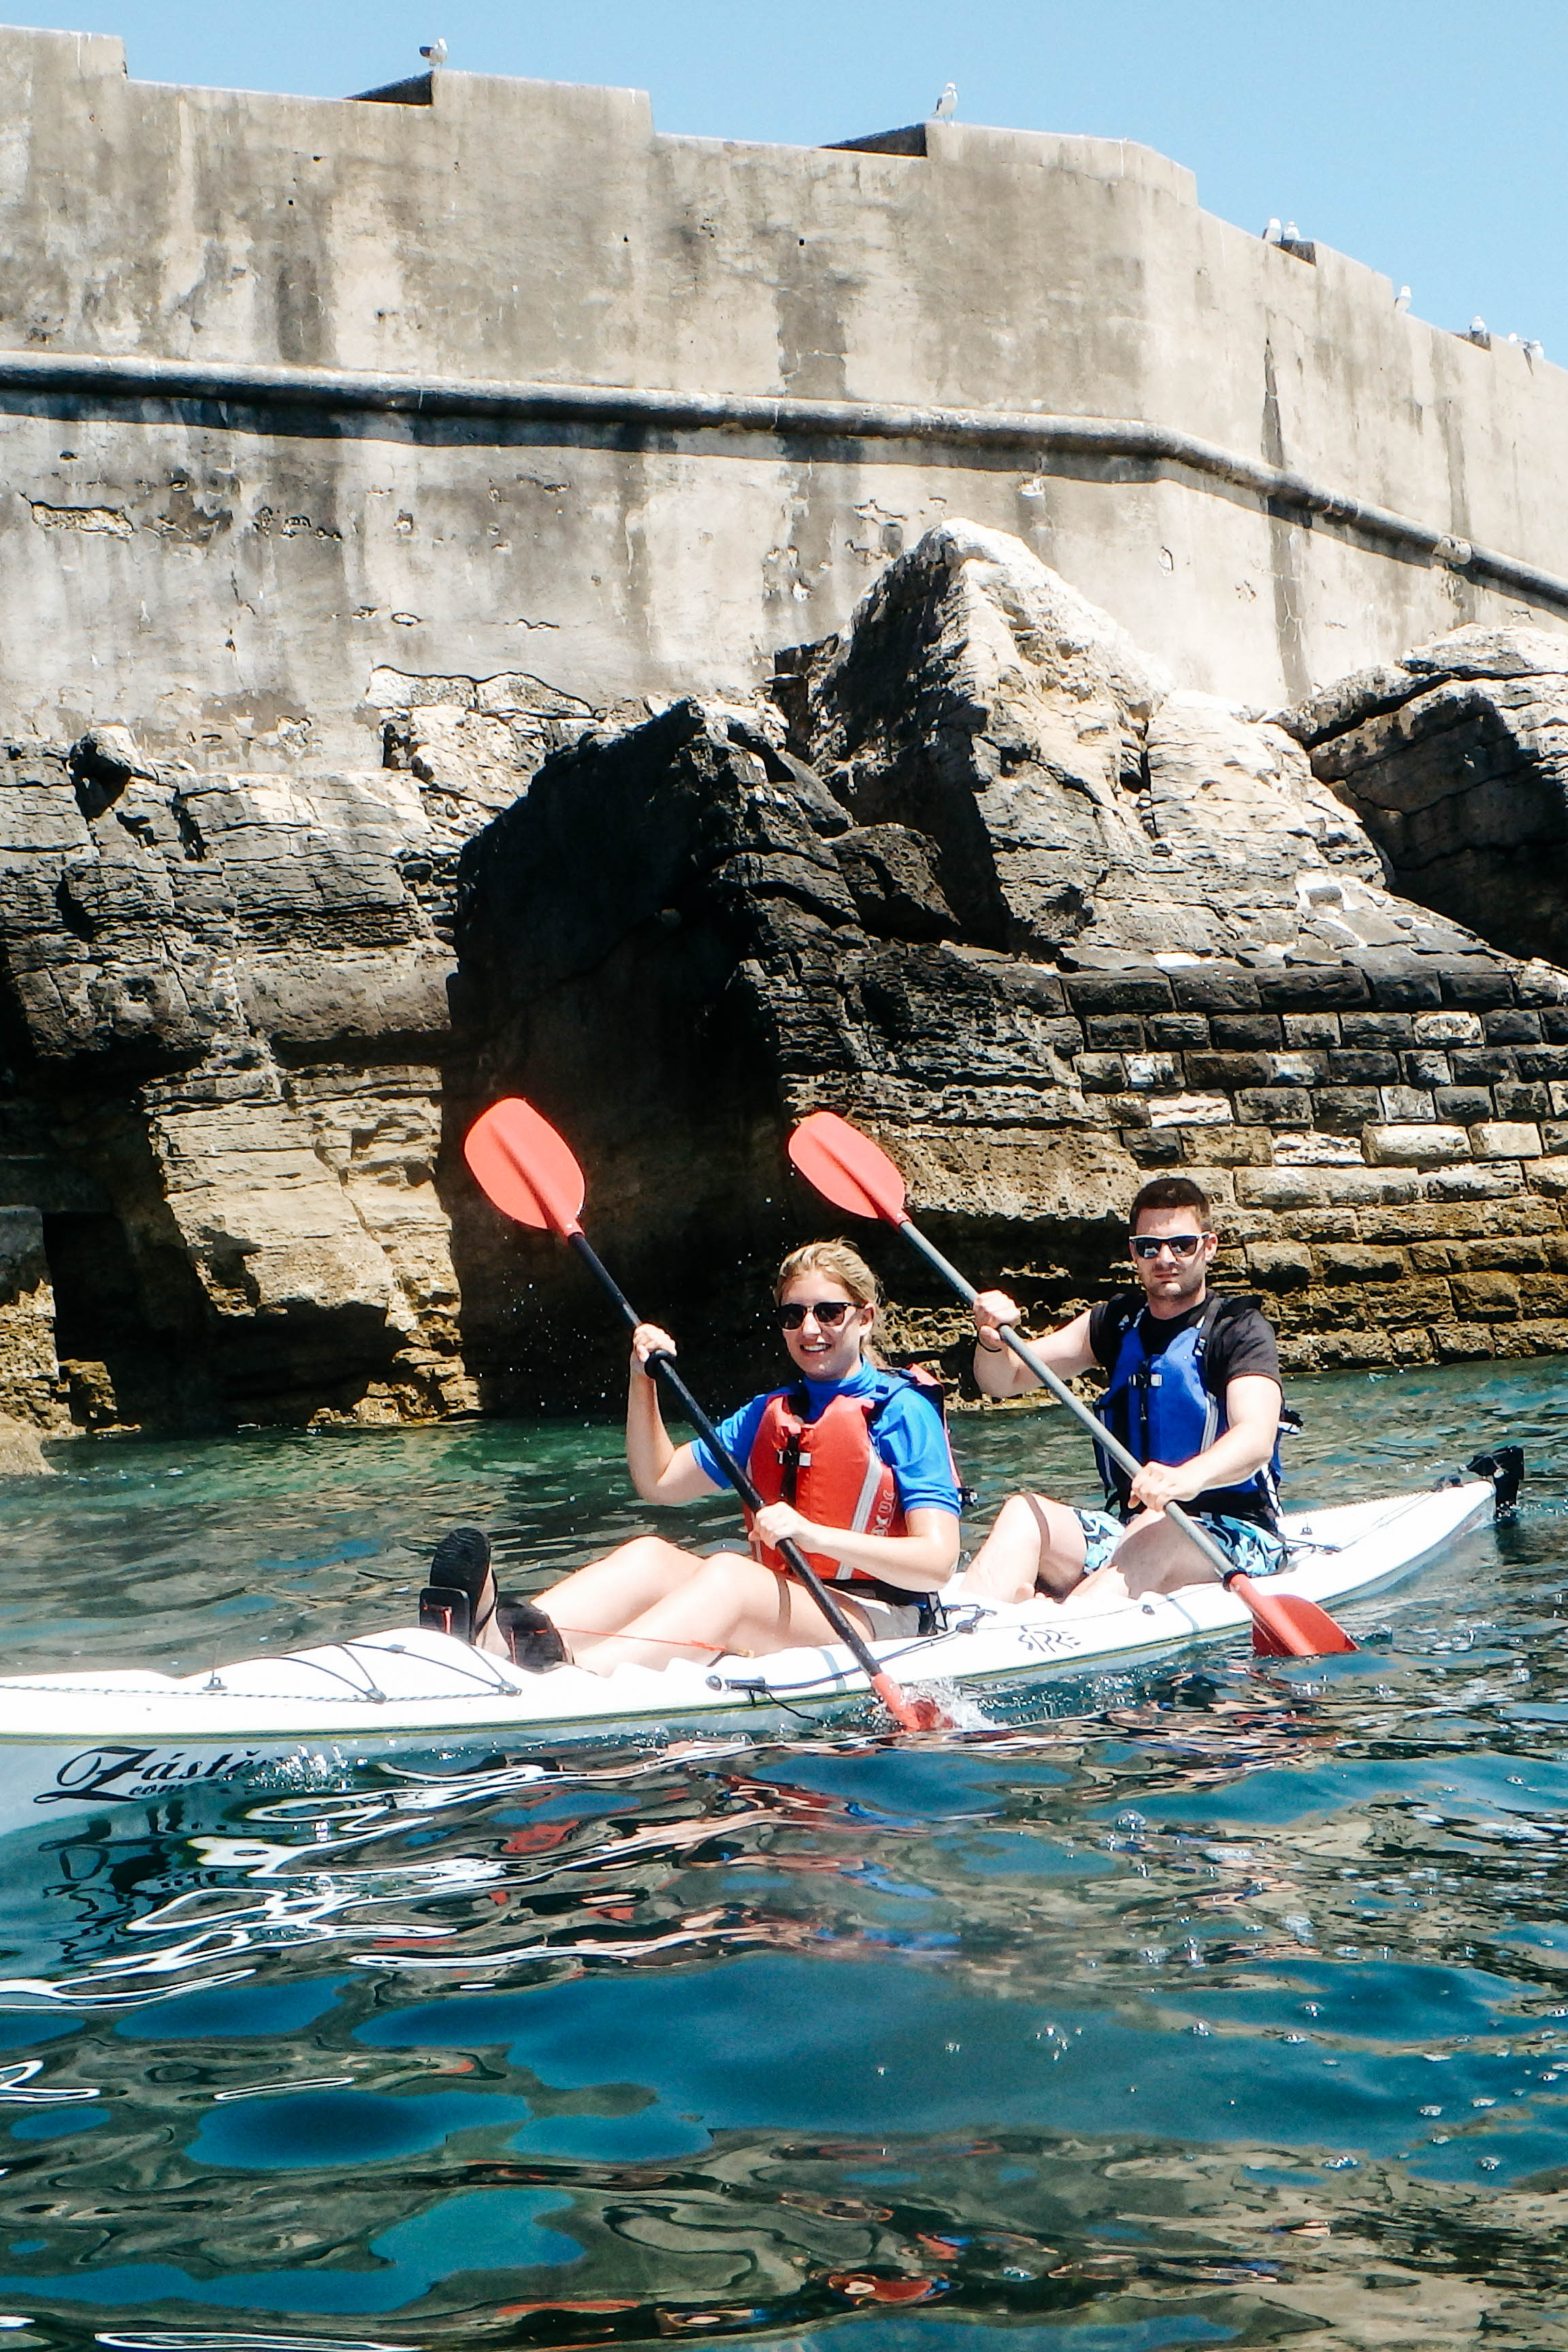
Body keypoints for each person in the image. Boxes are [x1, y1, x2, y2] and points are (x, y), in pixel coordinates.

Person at [421, 1240, 962, 1675]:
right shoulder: (769, 1412)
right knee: (649, 1555)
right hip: (798, 1600)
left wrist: (814, 1536)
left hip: (881, 1616)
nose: (810, 1329)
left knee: (729, 1574)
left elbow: (937, 1563)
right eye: (793, 1315)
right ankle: (509, 1636)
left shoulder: (901, 1411)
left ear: (864, 1318)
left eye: (829, 1312)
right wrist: (642, 1380)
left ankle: (576, 1678)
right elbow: (659, 1481)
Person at [960, 1175, 1285, 1610]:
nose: (1166, 1258)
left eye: (1182, 1245)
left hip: (1232, 1532)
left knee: (1157, 1526)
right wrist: (992, 1341)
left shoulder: (1240, 1330)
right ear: (1135, 1252)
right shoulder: (1115, 1322)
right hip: (1131, 1529)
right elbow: (1003, 1381)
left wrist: (1185, 1478)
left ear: (1208, 1247)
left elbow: (1256, 1437)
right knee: (1025, 1512)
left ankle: (1063, 1618)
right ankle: (973, 1628)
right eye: (1150, 1247)